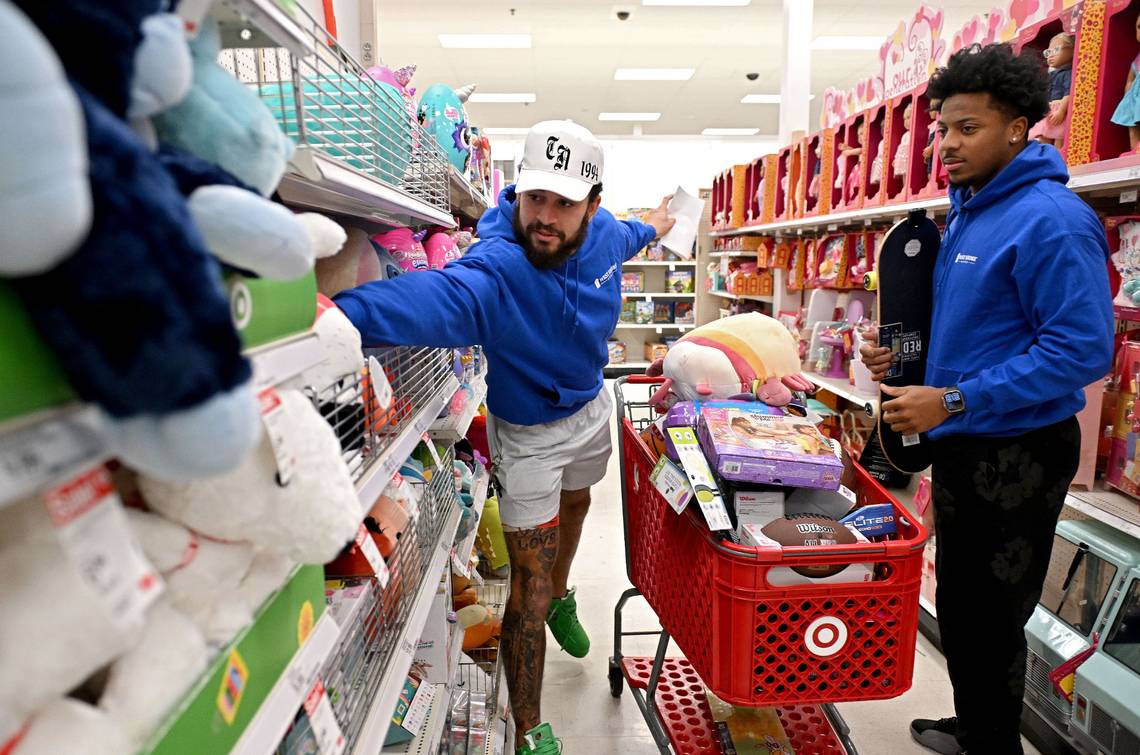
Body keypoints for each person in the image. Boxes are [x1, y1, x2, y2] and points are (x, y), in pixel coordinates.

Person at [334, 119, 675, 755]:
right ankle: (530, 732)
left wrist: (659, 220)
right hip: (529, 437)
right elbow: (427, 297)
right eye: (533, 198)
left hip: (590, 411)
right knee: (527, 590)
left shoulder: (604, 233)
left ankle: (564, 593)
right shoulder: (496, 269)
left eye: (563, 203)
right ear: (517, 193)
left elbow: (635, 234)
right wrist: (328, 316)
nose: (543, 217)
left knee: (580, 506)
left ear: (592, 205)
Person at [859, 44, 1113, 755]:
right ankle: (978, 726)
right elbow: (976, 326)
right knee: (966, 608)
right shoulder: (968, 212)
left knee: (993, 614)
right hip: (970, 439)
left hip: (1018, 450)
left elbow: (1079, 352)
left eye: (967, 129)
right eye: (942, 128)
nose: (946, 145)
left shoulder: (1052, 220)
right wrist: (899, 357)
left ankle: (994, 744)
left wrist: (954, 400)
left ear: (1018, 127)